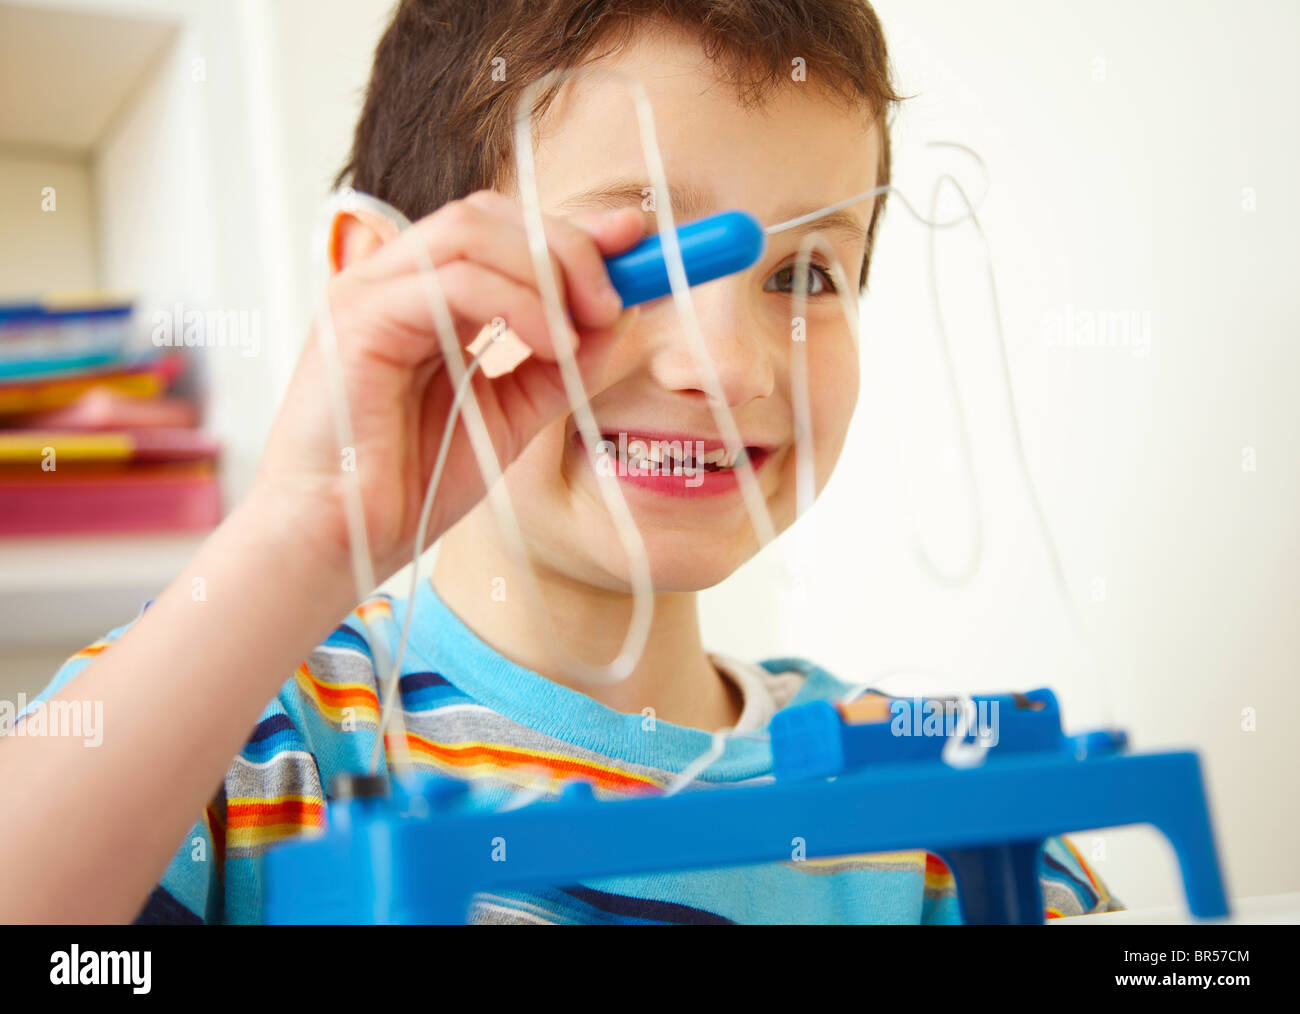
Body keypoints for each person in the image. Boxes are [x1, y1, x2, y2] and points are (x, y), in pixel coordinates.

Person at [0, 0, 1119, 924]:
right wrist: (304, 527)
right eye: (633, 258)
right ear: (386, 281)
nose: (724, 366)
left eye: (808, 275)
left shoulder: (939, 817)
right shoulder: (233, 747)